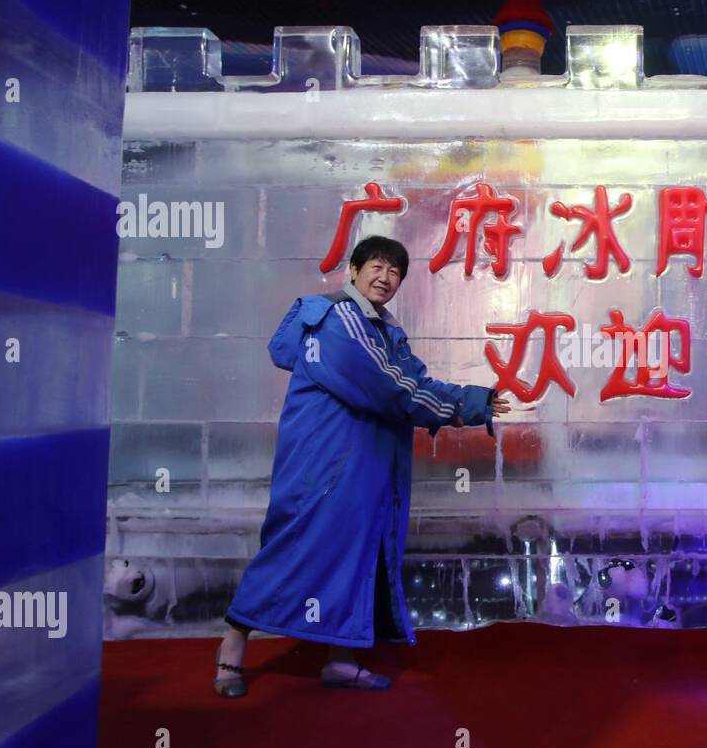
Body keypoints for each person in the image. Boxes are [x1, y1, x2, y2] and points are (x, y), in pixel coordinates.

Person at [213, 236, 511, 697]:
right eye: (376, 266)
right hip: (324, 471)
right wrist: (465, 407)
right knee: (291, 553)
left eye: (395, 272)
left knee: (358, 560)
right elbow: (390, 388)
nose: (385, 277)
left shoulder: (384, 329)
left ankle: (341, 659)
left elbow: (416, 380)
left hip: (365, 471)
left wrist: (476, 399)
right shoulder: (338, 320)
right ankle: (230, 654)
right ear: (353, 270)